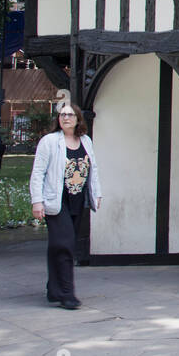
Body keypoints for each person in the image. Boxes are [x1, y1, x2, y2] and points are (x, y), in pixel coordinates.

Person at [30, 103, 102, 309]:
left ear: (78, 119)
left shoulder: (85, 141)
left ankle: (54, 289)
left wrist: (97, 193)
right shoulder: (50, 142)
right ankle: (67, 292)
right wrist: (37, 200)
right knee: (65, 245)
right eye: (62, 115)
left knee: (57, 245)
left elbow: (93, 169)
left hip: (77, 201)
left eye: (70, 115)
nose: (66, 118)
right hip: (56, 200)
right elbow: (38, 172)